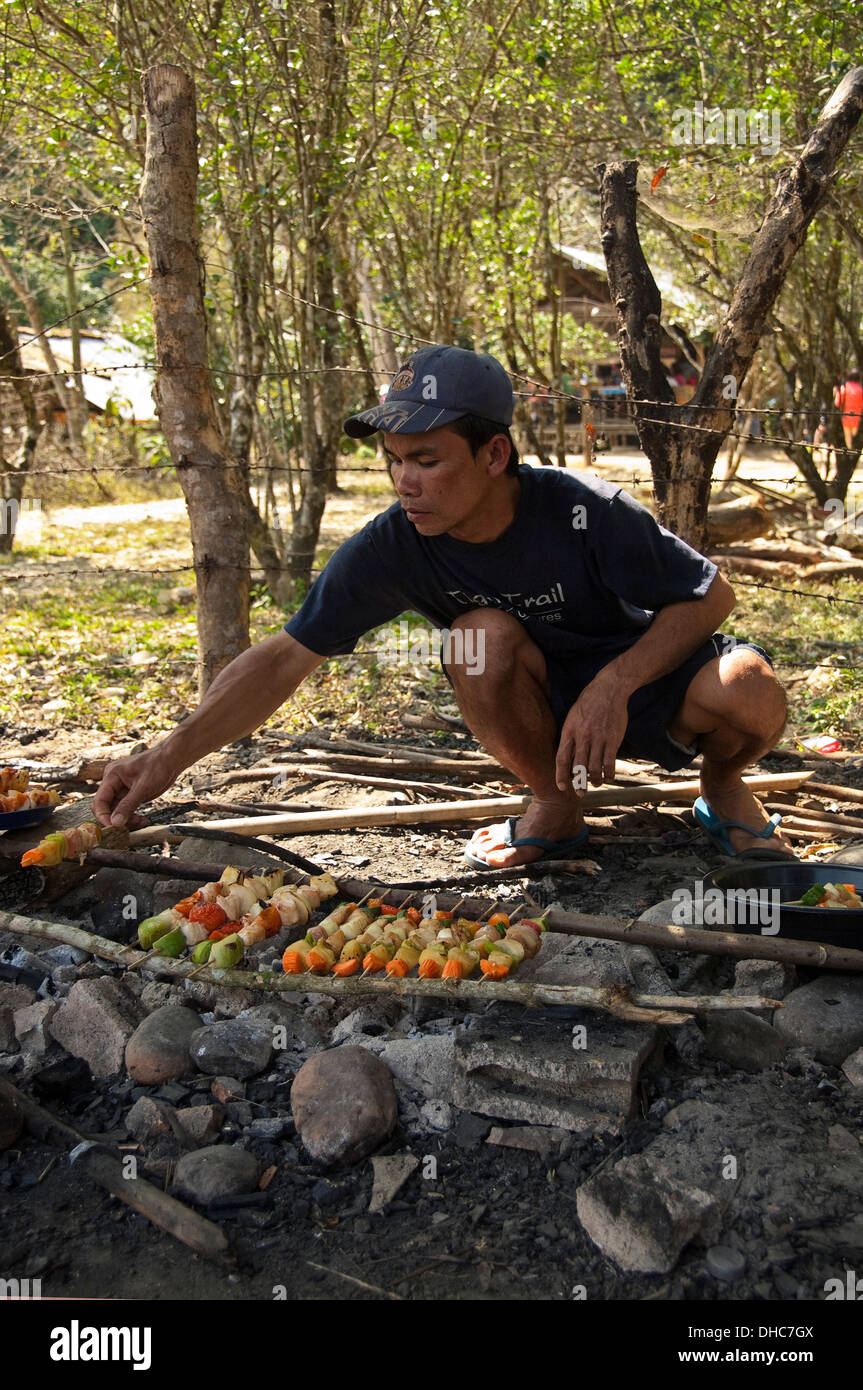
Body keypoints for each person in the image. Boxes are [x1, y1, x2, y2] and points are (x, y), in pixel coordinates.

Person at [94, 345, 791, 868]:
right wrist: (166, 758)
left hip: (650, 687)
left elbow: (710, 597)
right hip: (542, 704)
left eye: (426, 459)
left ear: (493, 454)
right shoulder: (391, 547)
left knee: (750, 692)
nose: (405, 481)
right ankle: (551, 802)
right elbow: (283, 658)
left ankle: (722, 790)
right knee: (474, 637)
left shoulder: (585, 510)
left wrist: (614, 684)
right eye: (393, 461)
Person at [834, 369, 863, 451]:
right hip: (857, 417)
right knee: (854, 434)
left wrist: (836, 393)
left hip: (846, 416)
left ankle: (849, 451)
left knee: (848, 436)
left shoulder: (844, 388)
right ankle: (853, 451)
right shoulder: (860, 389)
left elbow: (837, 402)